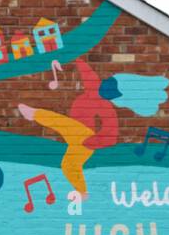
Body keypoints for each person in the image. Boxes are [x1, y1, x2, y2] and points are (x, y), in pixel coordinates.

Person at [16, 59, 117, 196]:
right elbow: (87, 73)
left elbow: (111, 134)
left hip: (86, 138)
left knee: (62, 124)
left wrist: (90, 142)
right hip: (79, 136)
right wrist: (75, 59)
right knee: (68, 165)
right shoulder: (93, 87)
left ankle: (35, 114)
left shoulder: (106, 107)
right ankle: (82, 192)